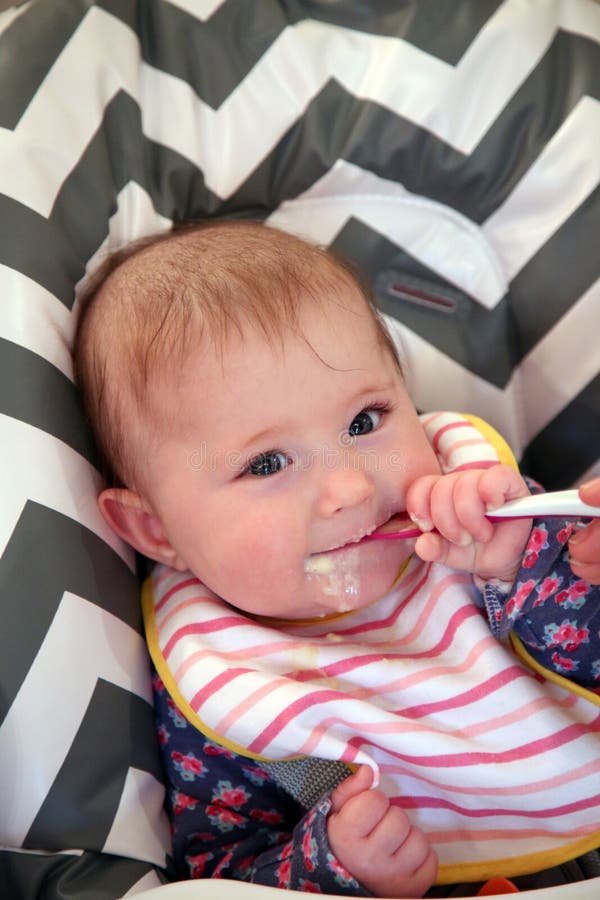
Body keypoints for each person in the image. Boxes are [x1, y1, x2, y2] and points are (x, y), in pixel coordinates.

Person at [74, 220, 600, 898]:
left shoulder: (483, 513)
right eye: (267, 464)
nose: (350, 488)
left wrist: (533, 567)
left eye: (364, 421)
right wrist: (331, 864)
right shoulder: (223, 678)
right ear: (154, 528)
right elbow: (221, 870)